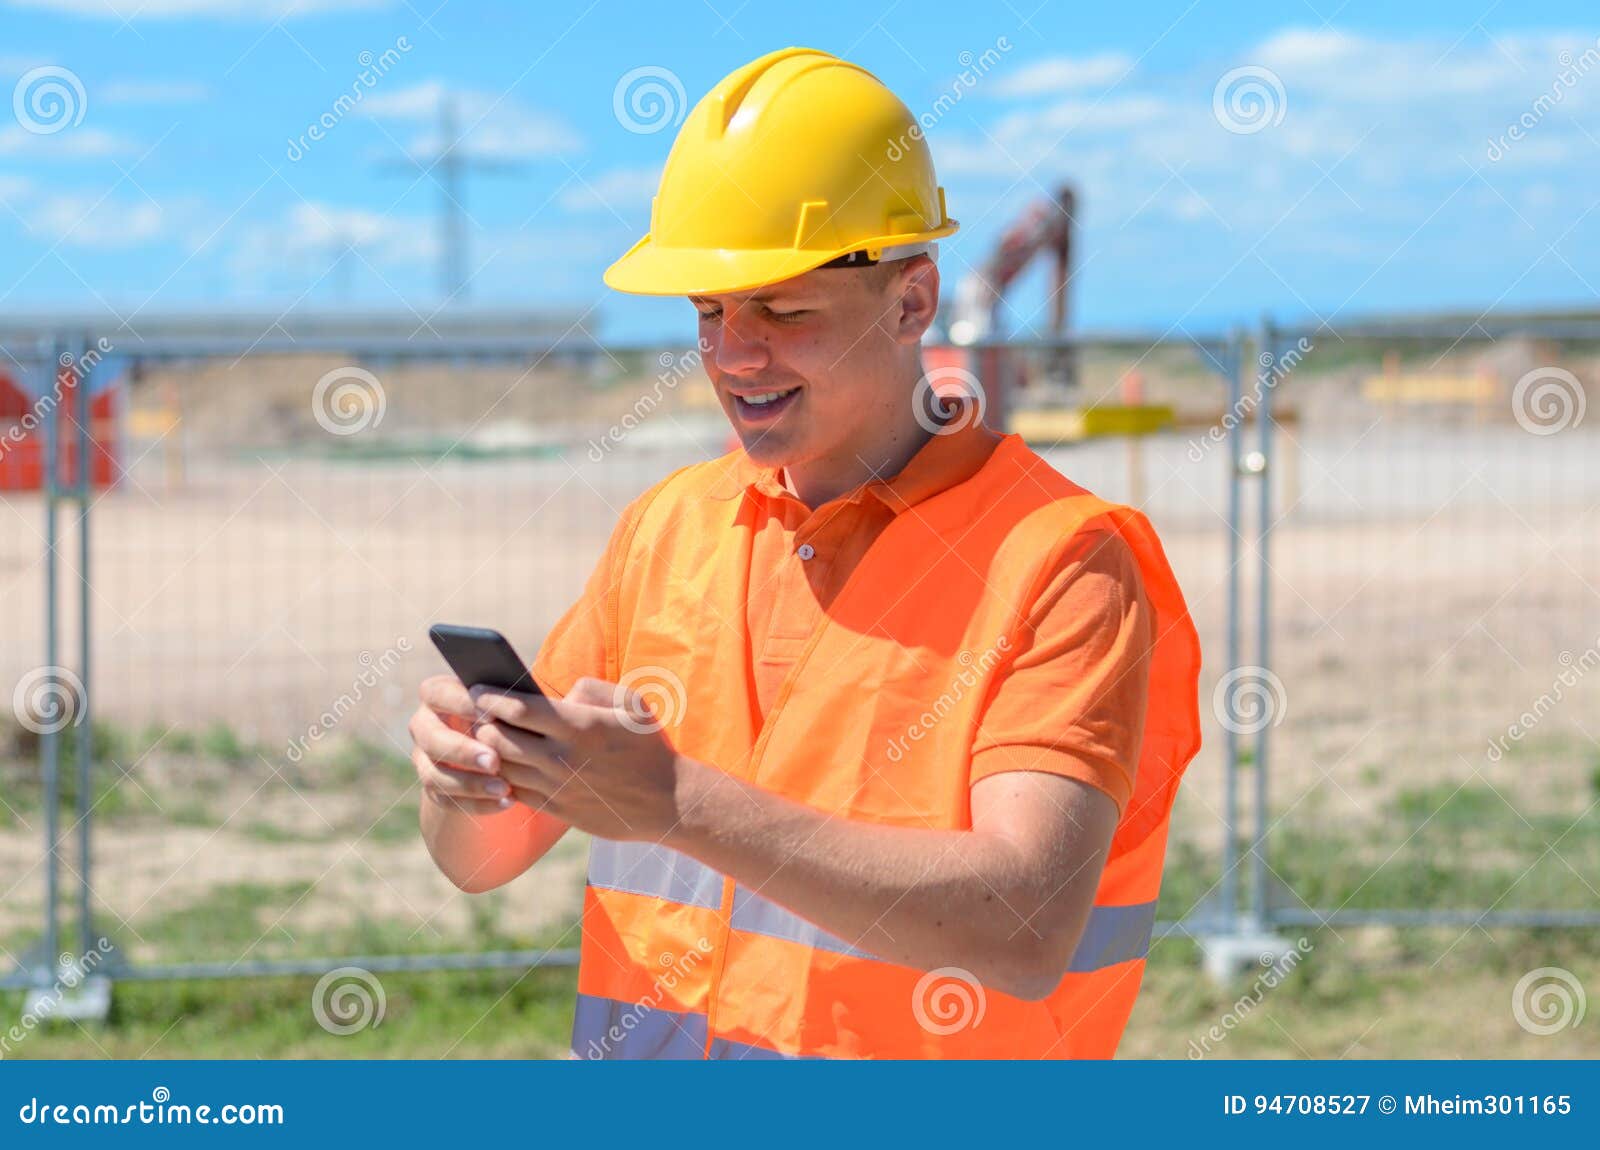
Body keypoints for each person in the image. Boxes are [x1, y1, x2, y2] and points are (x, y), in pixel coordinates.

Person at [411, 46, 1202, 1059]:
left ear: (911, 302)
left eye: (783, 311)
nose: (735, 356)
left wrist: (672, 803)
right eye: (709, 314)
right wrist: (464, 781)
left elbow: (1020, 924)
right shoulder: (669, 528)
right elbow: (479, 861)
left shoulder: (1058, 562)